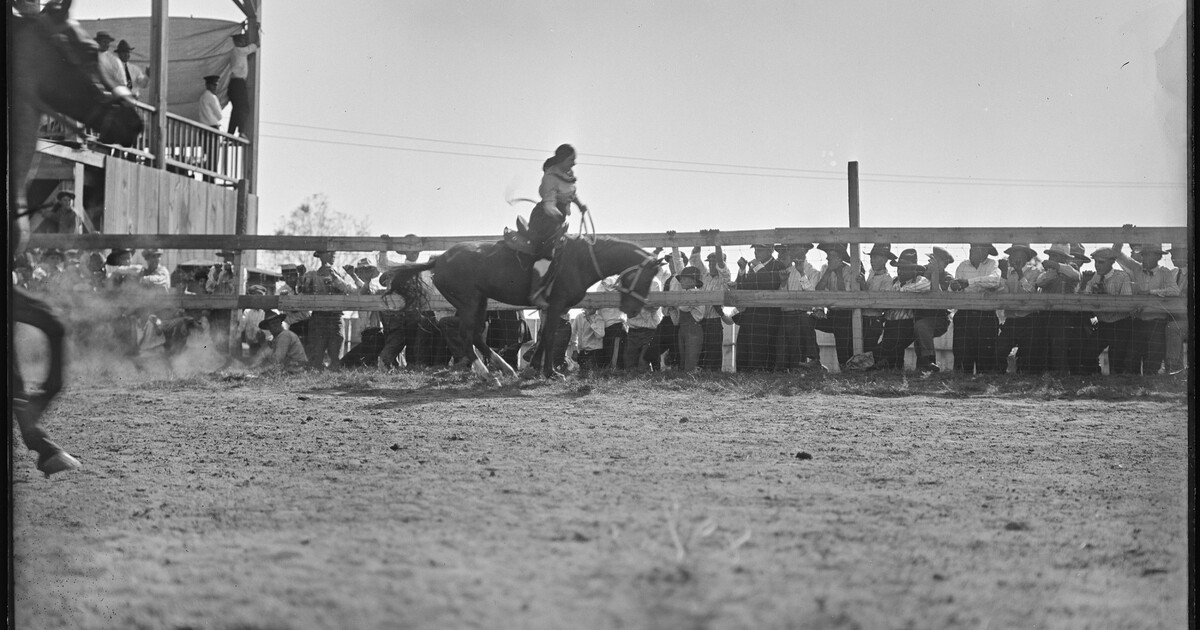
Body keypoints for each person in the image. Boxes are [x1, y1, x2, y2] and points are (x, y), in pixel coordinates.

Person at [528, 144, 587, 307]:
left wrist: (580, 205)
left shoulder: (567, 175)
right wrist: (558, 218)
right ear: (562, 159)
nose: (574, 163)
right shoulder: (550, 177)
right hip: (544, 218)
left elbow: (571, 194)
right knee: (547, 250)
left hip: (559, 218)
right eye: (571, 160)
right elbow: (549, 204)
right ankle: (537, 291)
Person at [1113, 242, 1180, 375]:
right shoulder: (1136, 268)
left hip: (1157, 321)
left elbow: (1175, 291)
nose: (1144, 258)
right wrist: (1122, 237)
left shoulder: (1164, 272)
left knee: (1153, 360)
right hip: (1138, 321)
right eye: (1143, 255)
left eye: (1147, 255)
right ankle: (1134, 390)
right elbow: (1117, 254)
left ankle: (1149, 390)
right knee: (1132, 357)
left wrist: (1151, 292)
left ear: (1158, 257)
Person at [861, 249, 930, 370]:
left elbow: (926, 286)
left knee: (886, 348)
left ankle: (861, 363)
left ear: (913, 270)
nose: (901, 271)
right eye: (899, 268)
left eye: (905, 268)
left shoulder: (920, 281)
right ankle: (891, 373)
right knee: (894, 356)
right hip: (890, 323)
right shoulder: (894, 282)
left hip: (906, 324)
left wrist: (900, 293)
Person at [949, 243, 1003, 374]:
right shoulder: (963, 265)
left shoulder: (992, 264)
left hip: (986, 315)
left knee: (985, 357)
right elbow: (958, 289)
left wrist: (969, 282)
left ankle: (982, 385)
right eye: (971, 247)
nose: (971, 250)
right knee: (962, 354)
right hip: (964, 314)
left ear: (985, 251)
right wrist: (955, 287)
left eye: (976, 248)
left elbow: (994, 281)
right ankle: (959, 386)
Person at [1081, 247, 1134, 375]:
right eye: (1096, 262)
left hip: (1120, 324)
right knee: (1088, 354)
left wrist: (1105, 296)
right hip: (1103, 323)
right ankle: (1095, 380)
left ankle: (1115, 387)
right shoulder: (1093, 278)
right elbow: (1084, 300)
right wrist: (1085, 285)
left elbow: (1126, 304)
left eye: (1101, 262)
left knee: (1116, 360)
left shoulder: (1122, 277)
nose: (1097, 265)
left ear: (1111, 262)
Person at [299, 250, 355, 369]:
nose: (332, 256)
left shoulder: (338, 274)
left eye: (333, 254)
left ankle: (334, 376)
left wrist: (335, 278)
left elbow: (347, 290)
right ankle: (315, 378)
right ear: (321, 256)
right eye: (329, 253)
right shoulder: (312, 275)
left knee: (336, 352)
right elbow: (303, 292)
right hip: (319, 317)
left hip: (335, 317)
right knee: (316, 354)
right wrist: (302, 277)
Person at [1034, 243, 1085, 374]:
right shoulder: (1049, 272)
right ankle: (1048, 378)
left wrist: (1056, 267)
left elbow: (1076, 276)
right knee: (1045, 346)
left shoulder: (1071, 268)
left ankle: (1060, 377)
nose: (1051, 258)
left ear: (1063, 258)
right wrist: (1053, 270)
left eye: (1055, 256)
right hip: (1046, 314)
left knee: (1059, 347)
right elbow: (1040, 282)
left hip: (1063, 316)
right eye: (1051, 255)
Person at [814, 242, 864, 370]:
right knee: (808, 320)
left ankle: (845, 369)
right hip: (831, 313)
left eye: (831, 255)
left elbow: (844, 296)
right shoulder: (825, 268)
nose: (827, 258)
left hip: (845, 315)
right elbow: (818, 289)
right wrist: (829, 270)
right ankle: (815, 359)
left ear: (839, 257)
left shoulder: (849, 270)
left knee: (843, 344)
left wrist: (839, 272)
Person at [734, 243, 783, 371]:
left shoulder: (778, 265)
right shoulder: (753, 267)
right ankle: (742, 379)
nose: (756, 252)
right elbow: (742, 289)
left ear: (771, 250)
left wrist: (759, 266)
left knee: (760, 352)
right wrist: (742, 270)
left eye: (760, 249)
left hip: (766, 318)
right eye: (755, 249)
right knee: (743, 351)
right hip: (749, 316)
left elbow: (771, 285)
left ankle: (759, 378)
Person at [994, 243, 1042, 374]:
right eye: (1013, 255)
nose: (1015, 258)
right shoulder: (1006, 272)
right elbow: (1001, 296)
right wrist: (1003, 274)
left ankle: (1023, 383)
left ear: (1026, 258)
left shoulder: (1035, 272)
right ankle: (998, 379)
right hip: (1011, 319)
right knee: (999, 349)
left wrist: (1020, 273)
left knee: (1025, 356)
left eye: (1019, 255)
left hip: (1029, 320)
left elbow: (1030, 294)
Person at [774, 243, 822, 371]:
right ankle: (784, 370)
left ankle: (812, 363)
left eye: (797, 248)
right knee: (783, 347)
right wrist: (783, 283)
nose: (794, 251)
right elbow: (781, 297)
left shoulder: (813, 272)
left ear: (805, 250)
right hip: (786, 314)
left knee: (799, 341)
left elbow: (812, 295)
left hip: (802, 314)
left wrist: (802, 274)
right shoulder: (787, 271)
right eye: (792, 248)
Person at [692, 243, 734, 371]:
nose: (711, 264)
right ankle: (699, 376)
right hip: (700, 320)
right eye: (709, 262)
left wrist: (717, 244)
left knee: (714, 352)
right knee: (700, 350)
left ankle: (713, 376)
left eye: (713, 262)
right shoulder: (704, 276)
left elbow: (721, 265)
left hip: (714, 320)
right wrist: (698, 243)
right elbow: (695, 260)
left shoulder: (724, 278)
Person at [914, 247, 955, 373]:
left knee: (922, 327)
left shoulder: (948, 277)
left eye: (937, 262)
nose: (931, 264)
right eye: (932, 260)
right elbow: (918, 287)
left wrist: (935, 275)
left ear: (945, 264)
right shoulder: (921, 272)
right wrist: (928, 274)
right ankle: (922, 367)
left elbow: (941, 298)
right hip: (920, 315)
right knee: (919, 335)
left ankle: (929, 360)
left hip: (940, 318)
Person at [622, 272, 663, 371]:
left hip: (649, 331)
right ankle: (633, 385)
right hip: (633, 330)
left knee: (643, 364)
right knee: (629, 365)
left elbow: (654, 306)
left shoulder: (654, 282)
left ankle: (647, 384)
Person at [861, 243, 897, 356]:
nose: (872, 260)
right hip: (863, 317)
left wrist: (863, 286)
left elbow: (880, 304)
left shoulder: (886, 280)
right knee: (860, 346)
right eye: (871, 257)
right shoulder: (871, 273)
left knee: (868, 348)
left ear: (885, 259)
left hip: (874, 320)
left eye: (875, 257)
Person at [674, 266, 707, 372]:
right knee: (684, 358)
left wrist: (673, 304)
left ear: (693, 280)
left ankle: (689, 379)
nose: (681, 281)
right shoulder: (686, 294)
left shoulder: (694, 293)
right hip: (683, 328)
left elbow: (684, 307)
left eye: (684, 278)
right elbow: (676, 320)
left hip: (693, 329)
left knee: (690, 360)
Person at [226, 31, 258, 137]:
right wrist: (256, 31)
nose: (243, 42)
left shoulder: (236, 52)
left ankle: (231, 132)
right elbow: (255, 46)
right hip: (238, 83)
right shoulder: (239, 50)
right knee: (244, 107)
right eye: (241, 40)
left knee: (237, 109)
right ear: (236, 42)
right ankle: (241, 131)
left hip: (234, 83)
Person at [1164, 243, 1188, 373]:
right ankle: (1175, 368)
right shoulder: (1172, 273)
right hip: (1174, 316)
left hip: (1188, 317)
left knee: (1173, 328)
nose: (1173, 258)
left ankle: (1173, 367)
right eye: (1172, 254)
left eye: (1176, 254)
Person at [568, 308, 606, 376]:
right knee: (581, 373)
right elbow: (573, 333)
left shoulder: (599, 319)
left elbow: (600, 335)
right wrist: (574, 349)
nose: (589, 308)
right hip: (582, 352)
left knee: (592, 374)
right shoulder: (579, 317)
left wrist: (590, 321)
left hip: (595, 352)